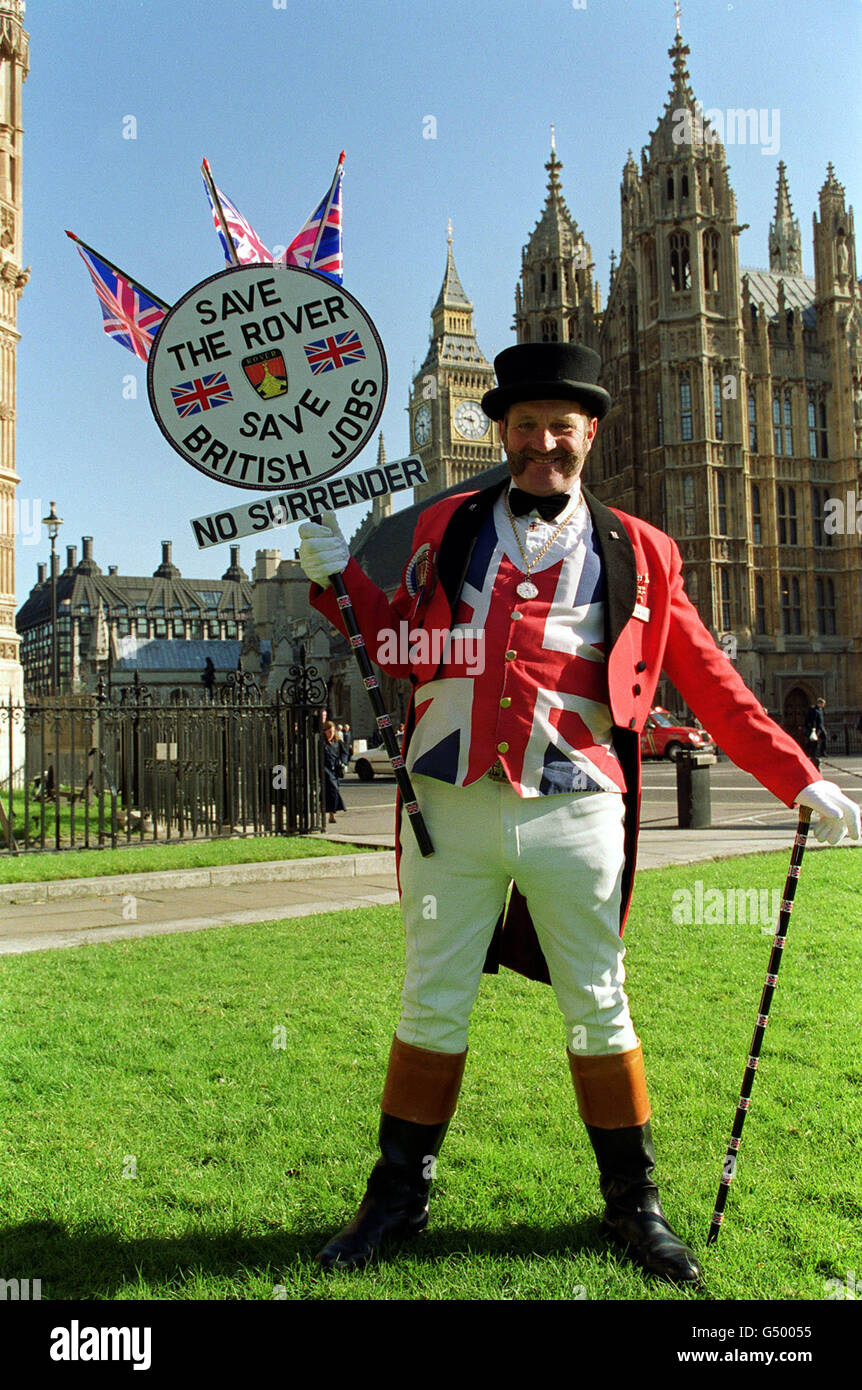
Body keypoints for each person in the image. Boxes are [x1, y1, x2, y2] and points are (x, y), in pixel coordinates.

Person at [298, 342, 860, 1287]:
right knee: (431, 998)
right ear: (501, 432)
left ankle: (633, 1206)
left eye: (561, 428)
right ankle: (397, 1197)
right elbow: (392, 645)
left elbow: (707, 679)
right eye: (524, 427)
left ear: (589, 435)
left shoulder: (643, 550)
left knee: (598, 1001)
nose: (543, 444)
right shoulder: (445, 525)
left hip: (578, 802)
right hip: (449, 800)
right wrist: (335, 583)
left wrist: (794, 774)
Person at [321, 720, 346, 825]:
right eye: (328, 732)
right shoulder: (321, 743)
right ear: (325, 732)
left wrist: (343, 763)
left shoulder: (338, 742)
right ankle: (331, 812)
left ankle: (330, 814)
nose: (331, 734)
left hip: (335, 770)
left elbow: (344, 753)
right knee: (333, 789)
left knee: (329, 793)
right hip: (325, 770)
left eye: (332, 731)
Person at [802, 697, 828, 770]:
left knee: (824, 738)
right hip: (816, 728)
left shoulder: (820, 710)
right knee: (814, 741)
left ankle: (822, 751)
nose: (824, 705)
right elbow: (813, 720)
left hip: (820, 727)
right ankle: (813, 753)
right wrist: (813, 728)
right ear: (820, 703)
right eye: (823, 704)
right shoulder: (814, 710)